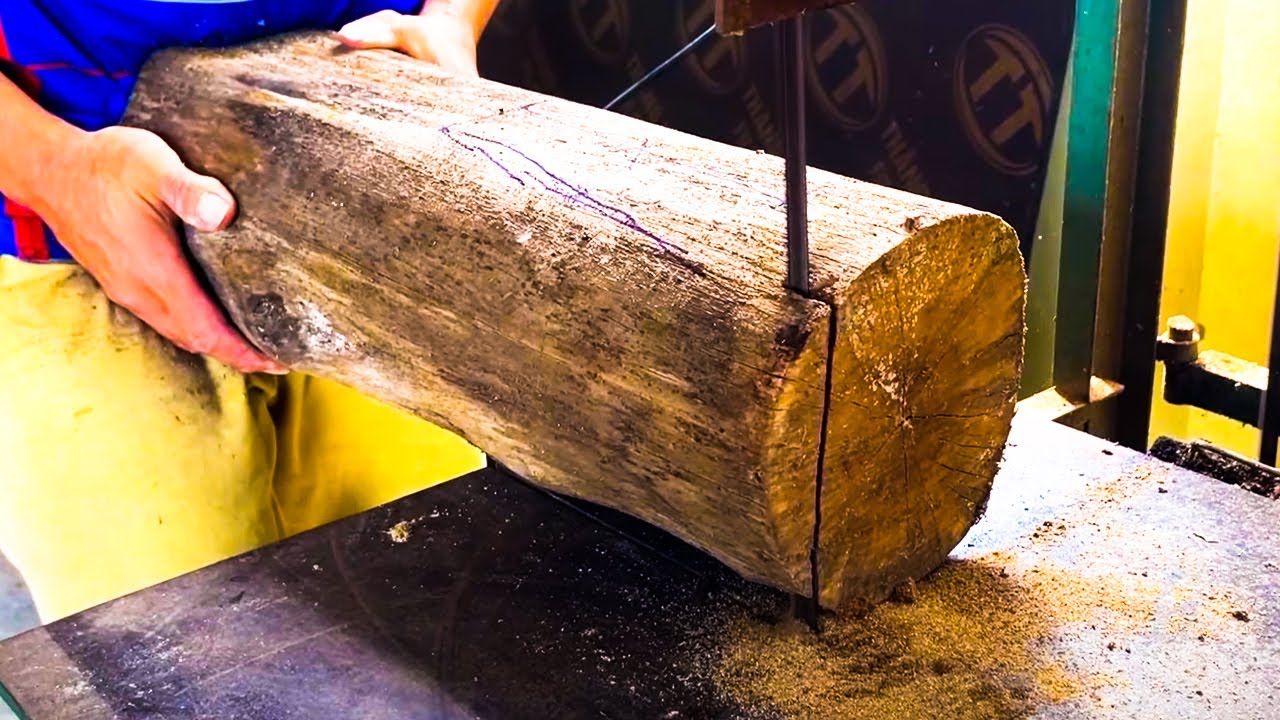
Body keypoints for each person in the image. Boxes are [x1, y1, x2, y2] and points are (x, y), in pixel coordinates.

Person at [0, 0, 501, 623]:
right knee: (171, 645)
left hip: (371, 187)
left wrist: (452, 19)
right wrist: (49, 167)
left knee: (438, 600)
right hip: (54, 236)